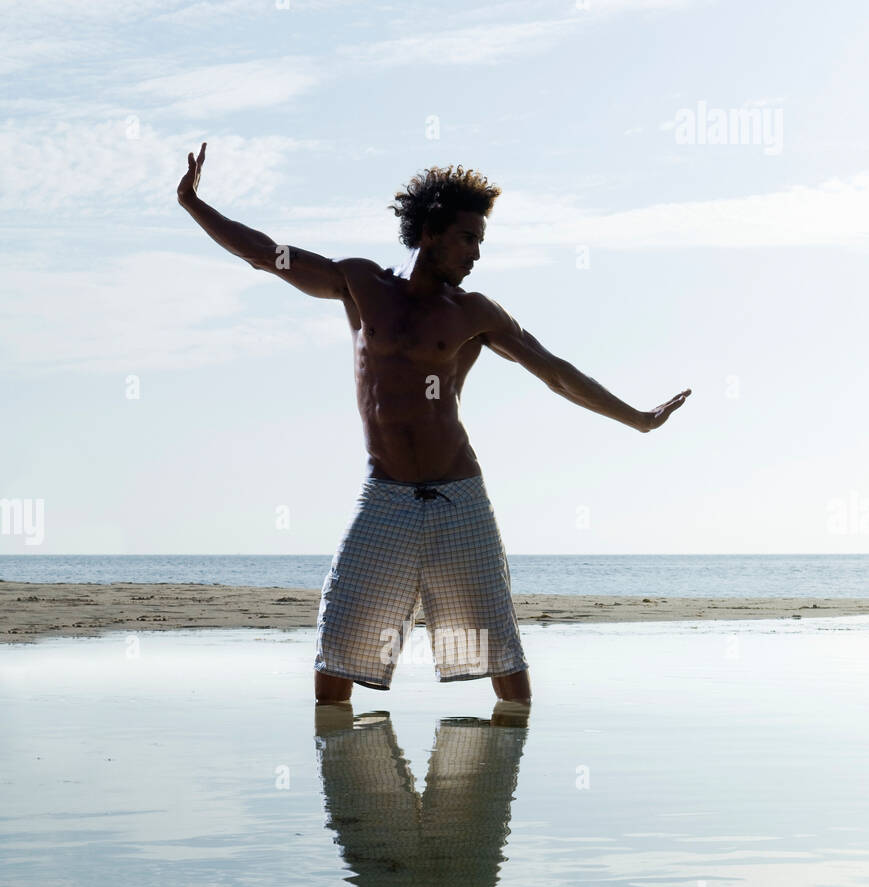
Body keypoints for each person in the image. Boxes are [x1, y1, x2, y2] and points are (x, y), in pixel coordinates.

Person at [177, 144, 691, 705]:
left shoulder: (474, 313)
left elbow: (555, 373)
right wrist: (194, 204)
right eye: (467, 238)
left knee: (497, 652)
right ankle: (354, 785)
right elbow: (268, 256)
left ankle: (496, 774)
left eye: (480, 242)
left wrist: (638, 419)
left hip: (459, 497)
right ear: (428, 233)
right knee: (338, 651)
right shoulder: (361, 284)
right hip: (385, 496)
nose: (475, 254)